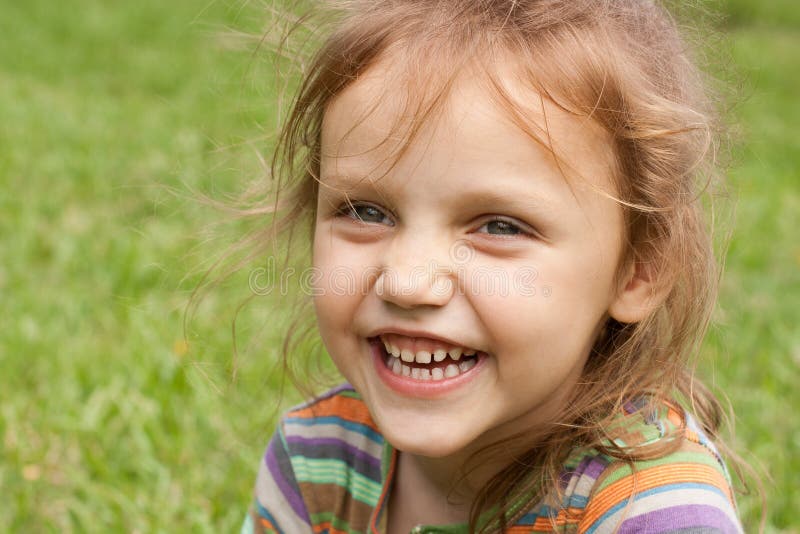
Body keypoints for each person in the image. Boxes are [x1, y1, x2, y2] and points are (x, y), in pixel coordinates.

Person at [239, 0, 745, 532]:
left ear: (638, 270)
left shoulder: (651, 509)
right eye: (366, 212)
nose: (407, 282)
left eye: (499, 227)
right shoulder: (316, 459)